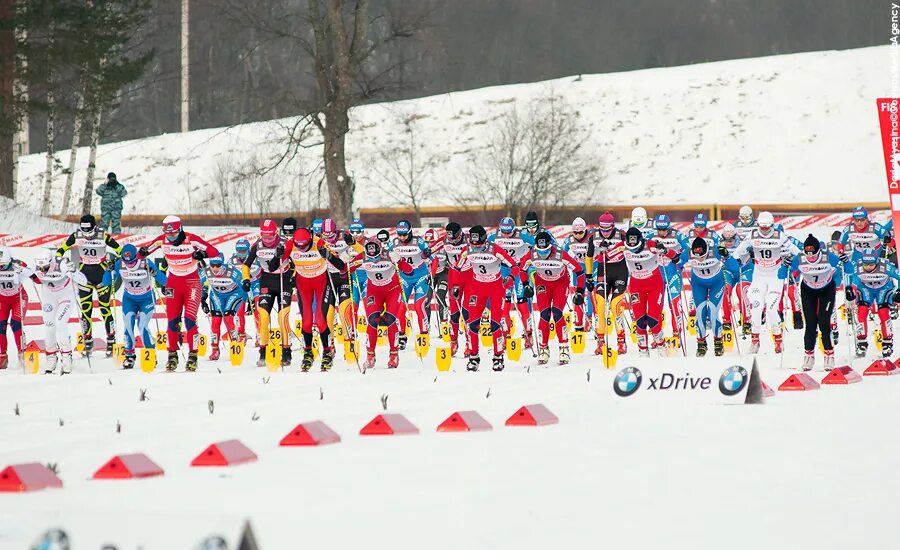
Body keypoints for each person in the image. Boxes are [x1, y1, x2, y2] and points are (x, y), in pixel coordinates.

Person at [138, 215, 219, 371]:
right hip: (173, 282)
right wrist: (142, 253)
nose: (171, 237)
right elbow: (141, 253)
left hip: (192, 283)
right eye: (169, 234)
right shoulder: (162, 240)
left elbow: (214, 251)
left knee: (189, 320)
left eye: (174, 234)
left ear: (180, 229)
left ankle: (193, 356)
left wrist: (203, 254)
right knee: (172, 322)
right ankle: (172, 356)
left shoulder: (191, 239)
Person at [451, 225, 518, 371]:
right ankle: (474, 357)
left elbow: (514, 266)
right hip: (477, 288)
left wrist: (511, 278)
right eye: (473, 245)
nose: (475, 249)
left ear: (485, 240)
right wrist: (455, 285)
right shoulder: (467, 250)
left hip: (495, 289)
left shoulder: (495, 249)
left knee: (494, 324)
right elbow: (456, 268)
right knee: (472, 324)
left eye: (479, 246)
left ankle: (498, 357)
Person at [732, 211, 800, 354]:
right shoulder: (752, 235)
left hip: (775, 276)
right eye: (762, 227)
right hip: (759, 276)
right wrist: (738, 259)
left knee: (771, 308)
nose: (764, 230)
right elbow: (737, 252)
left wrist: (789, 260)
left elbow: (798, 252)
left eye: (767, 227)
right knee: (756, 307)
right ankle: (755, 341)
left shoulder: (779, 235)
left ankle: (778, 340)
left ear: (772, 225)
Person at [278, 227, 346, 371]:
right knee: (307, 322)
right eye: (299, 246)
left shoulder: (319, 243)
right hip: (303, 285)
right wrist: (277, 255)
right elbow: (273, 267)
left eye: (305, 246)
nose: (302, 249)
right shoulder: (291, 244)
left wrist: (329, 255)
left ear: (310, 240)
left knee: (321, 321)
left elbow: (341, 266)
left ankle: (328, 351)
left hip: (321, 283)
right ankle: (308, 352)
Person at [55, 214, 122, 356]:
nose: (88, 237)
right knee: (86, 310)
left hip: (102, 273)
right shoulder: (76, 235)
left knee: (105, 308)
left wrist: (114, 262)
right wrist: (63, 262)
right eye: (85, 233)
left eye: (90, 233)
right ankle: (88, 342)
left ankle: (111, 341)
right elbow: (60, 251)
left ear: (95, 228)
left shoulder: (103, 235)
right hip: (84, 275)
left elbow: (120, 251)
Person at [519, 231, 585, 365]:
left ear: (551, 246)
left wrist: (579, 291)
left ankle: (564, 347)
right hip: (542, 283)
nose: (543, 254)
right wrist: (526, 285)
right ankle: (543, 348)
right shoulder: (532, 255)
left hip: (560, 283)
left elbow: (579, 271)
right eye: (540, 251)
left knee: (557, 312)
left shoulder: (560, 254)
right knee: (544, 314)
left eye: (546, 251)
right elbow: (522, 269)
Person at [350, 238, 412, 369]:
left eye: (375, 254)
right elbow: (345, 271)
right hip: (374, 291)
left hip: (392, 290)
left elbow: (409, 270)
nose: (373, 257)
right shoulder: (362, 256)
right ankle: (370, 355)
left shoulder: (389, 254)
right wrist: (345, 260)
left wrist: (399, 260)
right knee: (372, 320)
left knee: (390, 319)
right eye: (370, 254)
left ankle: (394, 354)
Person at [239, 219, 293, 367]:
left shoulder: (285, 242)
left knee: (283, 317)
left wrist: (294, 277)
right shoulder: (257, 245)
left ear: (275, 233)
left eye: (270, 237)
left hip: (283, 279)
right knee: (263, 316)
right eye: (264, 237)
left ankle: (286, 352)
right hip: (267, 281)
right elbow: (246, 265)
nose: (267, 240)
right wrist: (246, 279)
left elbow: (295, 261)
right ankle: (263, 352)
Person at [106, 244, 166, 369]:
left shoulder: (146, 262)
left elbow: (164, 281)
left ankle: (150, 351)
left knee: (142, 324)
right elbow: (106, 282)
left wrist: (155, 273)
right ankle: (129, 355)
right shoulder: (119, 264)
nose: (130, 266)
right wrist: (108, 269)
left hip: (147, 298)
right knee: (128, 324)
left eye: (133, 262)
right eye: (127, 263)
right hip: (129, 299)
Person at [790, 235, 843, 370]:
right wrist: (787, 267)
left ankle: (829, 356)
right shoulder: (800, 258)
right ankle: (809, 356)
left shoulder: (828, 256)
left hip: (826, 290)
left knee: (824, 323)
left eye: (813, 254)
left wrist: (845, 262)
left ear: (818, 251)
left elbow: (845, 269)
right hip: (808, 291)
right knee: (810, 324)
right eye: (808, 254)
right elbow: (786, 273)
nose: (811, 258)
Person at [622, 227, 677, 356]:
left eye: (636, 246)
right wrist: (603, 247)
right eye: (630, 246)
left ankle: (661, 346)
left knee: (652, 319)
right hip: (636, 285)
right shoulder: (623, 247)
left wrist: (664, 249)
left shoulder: (651, 245)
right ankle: (643, 351)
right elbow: (604, 254)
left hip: (654, 285)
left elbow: (674, 257)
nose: (633, 249)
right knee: (640, 321)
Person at [32, 249, 85, 374]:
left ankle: (66, 357)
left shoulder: (61, 264)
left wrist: (74, 271)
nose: (42, 270)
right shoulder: (36, 266)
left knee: (60, 323)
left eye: (45, 267)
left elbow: (83, 281)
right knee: (49, 326)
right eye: (40, 268)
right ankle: (51, 357)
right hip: (49, 296)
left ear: (51, 262)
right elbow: (21, 273)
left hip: (65, 295)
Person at [585, 212, 629, 355]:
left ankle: (621, 341)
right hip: (603, 271)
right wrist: (589, 276)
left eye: (608, 230)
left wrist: (621, 248)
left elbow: (634, 248)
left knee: (615, 305)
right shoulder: (593, 236)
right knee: (600, 304)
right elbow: (589, 256)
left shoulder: (621, 235)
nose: (605, 233)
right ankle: (600, 342)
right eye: (602, 230)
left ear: (613, 227)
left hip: (620, 271)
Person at [388, 220, 434, 350]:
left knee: (419, 306)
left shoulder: (419, 242)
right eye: (399, 234)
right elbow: (384, 256)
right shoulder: (393, 243)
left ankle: (424, 335)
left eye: (404, 235)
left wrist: (427, 257)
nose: (402, 238)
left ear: (410, 232)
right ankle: (402, 335)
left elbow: (431, 257)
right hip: (404, 277)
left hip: (421, 275)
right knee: (400, 308)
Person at [846, 249, 900, 358]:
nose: (868, 267)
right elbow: (849, 275)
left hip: (884, 288)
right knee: (862, 311)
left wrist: (899, 290)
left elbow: (898, 275)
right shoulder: (858, 266)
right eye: (866, 265)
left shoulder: (885, 266)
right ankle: (861, 342)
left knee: (883, 312)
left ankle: (887, 342)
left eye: (871, 265)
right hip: (866, 288)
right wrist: (849, 289)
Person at [679, 237, 728, 356]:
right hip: (698, 284)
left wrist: (726, 255)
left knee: (713, 312)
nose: (699, 259)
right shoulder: (689, 253)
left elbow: (734, 265)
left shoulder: (715, 251)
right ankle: (701, 344)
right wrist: (677, 264)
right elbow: (677, 262)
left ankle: (718, 343)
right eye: (697, 256)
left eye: (702, 256)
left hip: (717, 282)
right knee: (700, 313)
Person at [489, 217, 533, 347]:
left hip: (518, 269)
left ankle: (528, 334)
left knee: (522, 302)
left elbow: (539, 245)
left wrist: (528, 259)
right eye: (504, 232)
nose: (506, 235)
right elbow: (482, 246)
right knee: (505, 302)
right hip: (503, 270)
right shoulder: (494, 236)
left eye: (509, 233)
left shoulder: (522, 235)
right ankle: (505, 333)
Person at [319, 218, 360, 344]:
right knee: (328, 312)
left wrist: (351, 252)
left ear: (335, 231)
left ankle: (350, 340)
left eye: (331, 235)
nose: (328, 238)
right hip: (328, 277)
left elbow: (361, 253)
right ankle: (329, 344)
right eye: (325, 235)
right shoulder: (318, 240)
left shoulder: (345, 236)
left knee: (344, 309)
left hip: (344, 276)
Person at [200, 253, 246, 361]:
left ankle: (235, 343)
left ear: (223, 264)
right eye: (213, 265)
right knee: (215, 321)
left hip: (234, 293)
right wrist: (203, 300)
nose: (215, 268)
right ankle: (215, 349)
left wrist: (247, 300)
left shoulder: (231, 271)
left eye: (218, 265)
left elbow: (244, 283)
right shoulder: (206, 271)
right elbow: (197, 284)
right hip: (217, 294)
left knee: (228, 318)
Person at [651, 214, 685, 341]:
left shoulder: (677, 235)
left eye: (664, 229)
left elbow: (688, 248)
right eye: (659, 229)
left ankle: (677, 333)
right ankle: (657, 336)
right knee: (656, 305)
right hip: (657, 273)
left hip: (673, 272)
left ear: (669, 227)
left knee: (675, 303)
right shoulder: (651, 235)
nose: (662, 232)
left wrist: (680, 259)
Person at [0, 247, 32, 368]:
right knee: (0, 325)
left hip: (18, 298)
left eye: (3, 265)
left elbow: (36, 278)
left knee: (16, 323)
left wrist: (23, 271)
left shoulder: (17, 264)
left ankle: (22, 353)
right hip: (2, 299)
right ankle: (2, 356)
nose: (1, 268)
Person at [440, 222, 468, 356]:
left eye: (455, 238)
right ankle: (453, 341)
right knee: (454, 311)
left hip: (469, 276)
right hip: (454, 277)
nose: (453, 241)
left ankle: (470, 342)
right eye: (450, 238)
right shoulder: (445, 240)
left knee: (468, 312)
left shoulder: (469, 239)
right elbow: (430, 249)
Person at [563, 217, 593, 332]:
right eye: (575, 232)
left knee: (591, 293)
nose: (578, 235)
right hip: (579, 269)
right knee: (578, 293)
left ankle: (589, 319)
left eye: (580, 232)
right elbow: (561, 253)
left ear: (585, 230)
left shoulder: (591, 236)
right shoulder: (570, 239)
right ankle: (578, 320)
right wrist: (566, 265)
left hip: (592, 267)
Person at [230, 238, 259, 342]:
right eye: (239, 251)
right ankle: (241, 333)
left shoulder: (255, 258)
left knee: (257, 307)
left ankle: (260, 334)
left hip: (255, 284)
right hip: (241, 286)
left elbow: (259, 272)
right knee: (239, 309)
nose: (241, 254)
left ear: (248, 250)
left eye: (244, 251)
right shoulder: (232, 260)